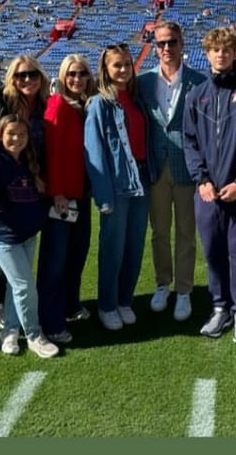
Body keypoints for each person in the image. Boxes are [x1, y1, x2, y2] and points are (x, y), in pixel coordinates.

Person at [183, 27, 236, 344]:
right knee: (213, 252)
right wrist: (201, 179)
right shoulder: (196, 95)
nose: (221, 54)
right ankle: (220, 308)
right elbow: (189, 143)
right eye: (215, 50)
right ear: (207, 54)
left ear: (234, 53)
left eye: (227, 49)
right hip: (207, 192)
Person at [137, 21, 206, 322]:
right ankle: (162, 283)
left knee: (186, 234)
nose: (167, 48)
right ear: (154, 45)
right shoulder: (142, 82)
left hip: (186, 168)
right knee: (160, 233)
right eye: (161, 43)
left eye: (172, 42)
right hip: (156, 167)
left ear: (182, 43)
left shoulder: (199, 81)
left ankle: (184, 289)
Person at [0, 114, 58, 358]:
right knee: (24, 286)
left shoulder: (26, 161)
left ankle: (10, 330)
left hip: (28, 236)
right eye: (11, 133)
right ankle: (34, 335)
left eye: (22, 134)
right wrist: (10, 218)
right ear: (0, 135)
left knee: (16, 286)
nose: (16, 138)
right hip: (6, 238)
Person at [85, 43, 152, 331]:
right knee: (113, 248)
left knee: (134, 246)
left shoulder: (137, 99)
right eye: (117, 65)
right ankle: (107, 304)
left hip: (141, 179)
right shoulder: (100, 103)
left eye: (127, 64)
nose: (123, 69)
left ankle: (125, 300)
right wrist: (103, 194)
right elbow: (94, 151)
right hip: (116, 183)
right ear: (106, 69)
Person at [0, 55, 50, 329]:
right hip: (8, 182)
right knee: (8, 251)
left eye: (33, 75)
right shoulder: (1, 102)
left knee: (25, 247)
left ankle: (20, 310)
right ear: (12, 77)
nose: (27, 80)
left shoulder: (45, 104)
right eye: (21, 75)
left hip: (35, 182)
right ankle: (4, 308)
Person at [37, 54, 95, 345]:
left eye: (82, 73)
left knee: (77, 252)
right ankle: (50, 320)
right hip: (62, 196)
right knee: (55, 259)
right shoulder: (58, 105)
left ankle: (70, 304)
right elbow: (51, 154)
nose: (77, 78)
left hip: (81, 193)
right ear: (61, 77)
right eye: (71, 73)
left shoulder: (82, 106)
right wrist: (57, 193)